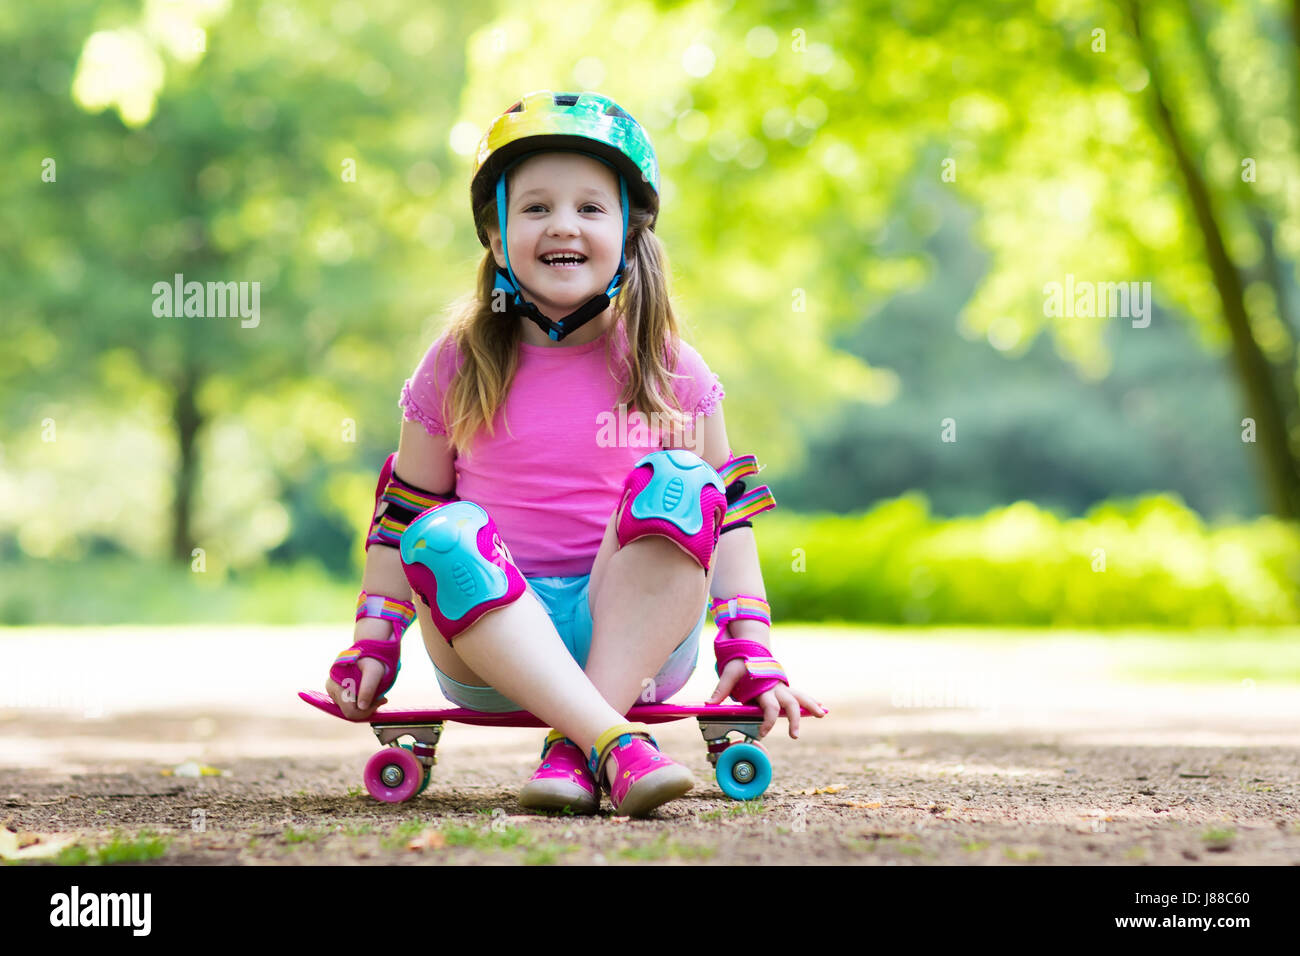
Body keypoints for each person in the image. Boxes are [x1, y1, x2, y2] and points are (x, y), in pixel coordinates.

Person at [324, 90, 824, 818]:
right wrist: (373, 645)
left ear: (629, 233)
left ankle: (581, 740)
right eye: (535, 208)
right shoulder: (455, 364)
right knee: (439, 529)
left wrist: (749, 650)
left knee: (684, 482)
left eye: (591, 208)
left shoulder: (669, 367)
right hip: (486, 642)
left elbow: (732, 520)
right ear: (496, 236)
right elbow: (399, 517)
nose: (564, 224)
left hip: (638, 635)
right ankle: (606, 741)